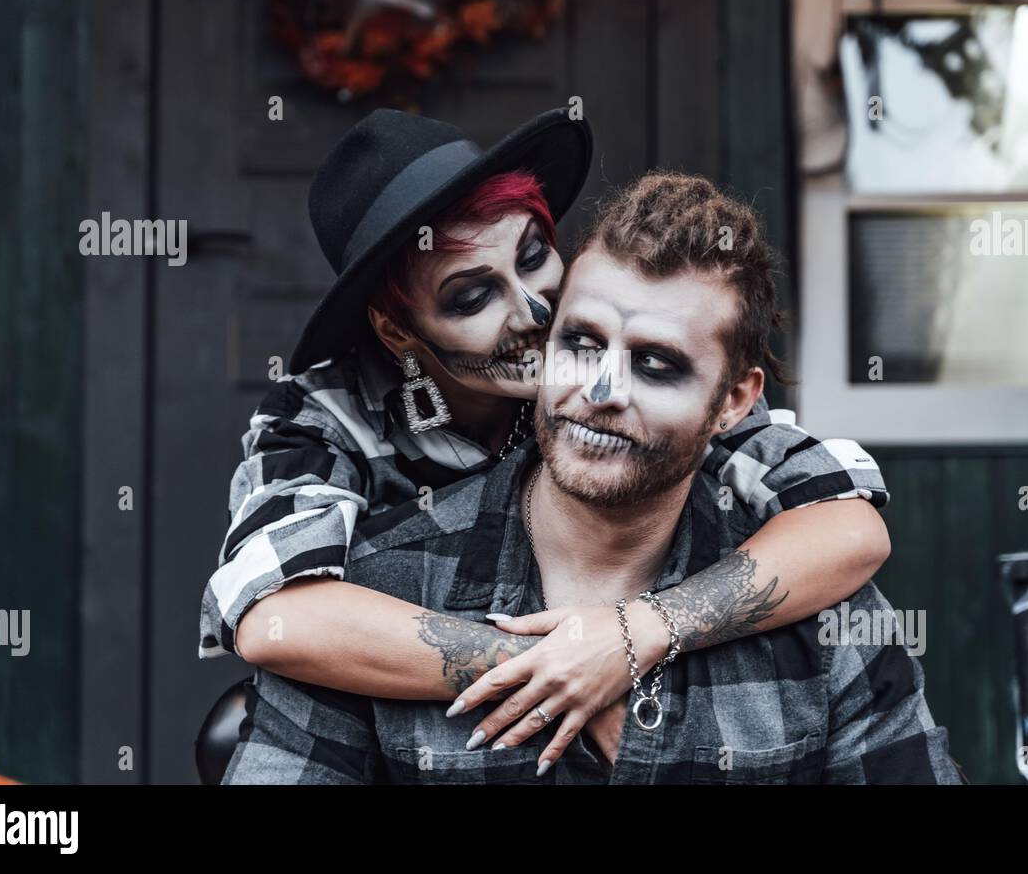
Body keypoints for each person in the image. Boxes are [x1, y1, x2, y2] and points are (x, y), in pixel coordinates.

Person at [202, 109, 894, 770]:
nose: (535, 311)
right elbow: (276, 620)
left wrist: (638, 634)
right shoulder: (326, 417)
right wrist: (562, 668)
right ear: (396, 331)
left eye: (533, 257)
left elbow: (848, 524)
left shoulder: (615, 366)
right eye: (473, 297)